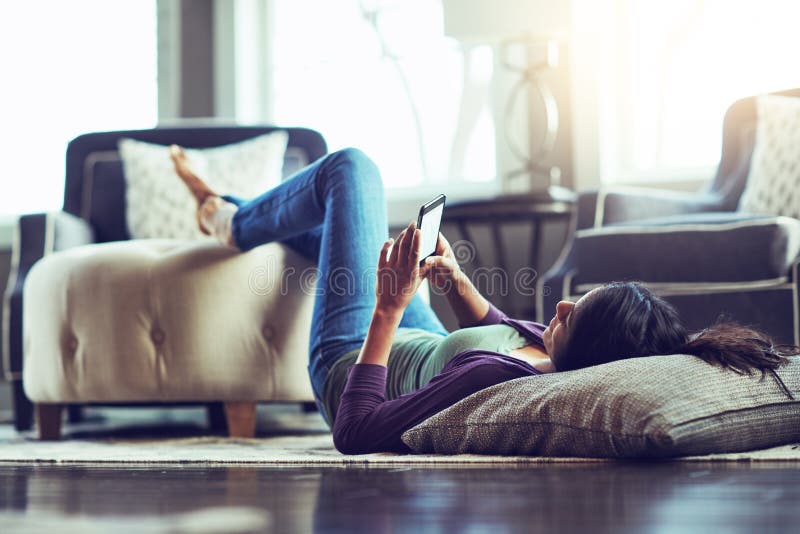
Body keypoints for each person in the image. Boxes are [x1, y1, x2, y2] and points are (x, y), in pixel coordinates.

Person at [169, 146, 796, 455]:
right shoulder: (545, 353)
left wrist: (387, 309)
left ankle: (227, 219)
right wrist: (456, 284)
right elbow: (498, 327)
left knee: (350, 172)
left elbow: (355, 433)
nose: (563, 306)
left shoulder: (499, 375)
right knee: (355, 238)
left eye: (575, 314)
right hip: (420, 339)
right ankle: (233, 213)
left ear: (592, 352)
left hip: (351, 364)